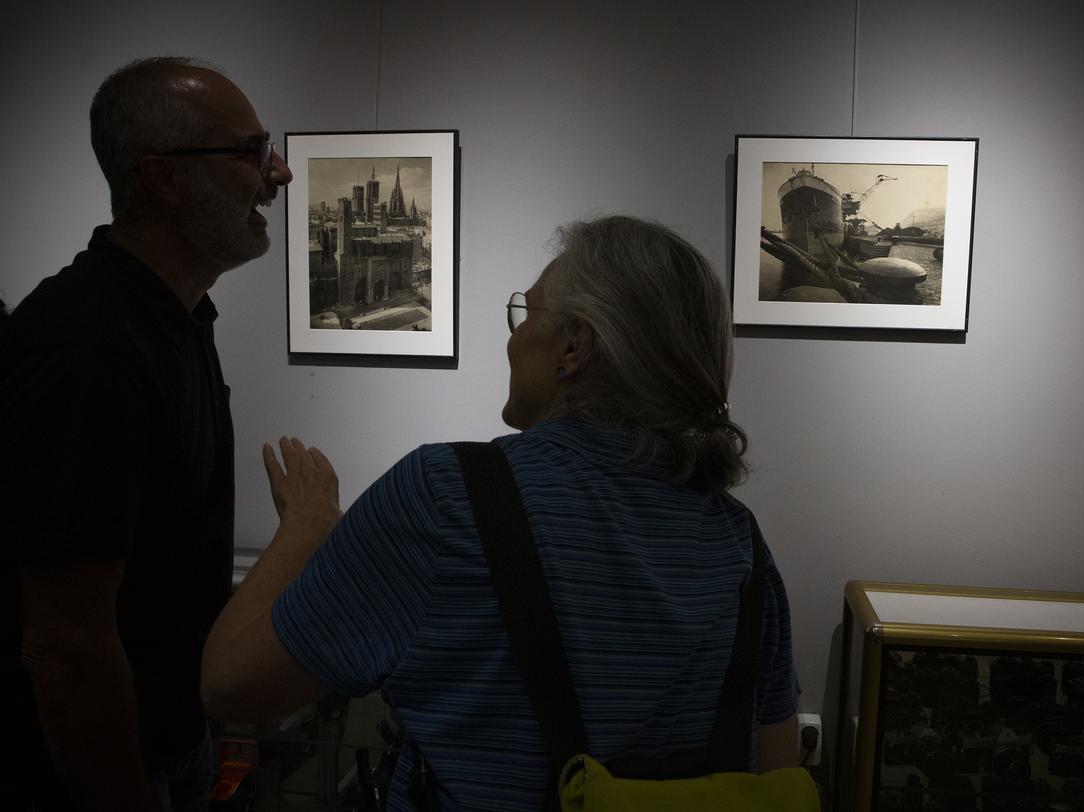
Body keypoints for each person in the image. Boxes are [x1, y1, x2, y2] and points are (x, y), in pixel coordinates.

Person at [202, 216, 799, 810]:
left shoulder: (443, 498)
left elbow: (229, 686)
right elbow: (775, 769)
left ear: (574, 344)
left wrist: (304, 531)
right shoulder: (740, 542)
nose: (513, 339)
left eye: (526, 314)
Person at [0, 57, 292, 811]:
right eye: (254, 151)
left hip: (174, 744)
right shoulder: (85, 341)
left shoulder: (177, 319)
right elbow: (64, 641)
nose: (280, 173)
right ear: (165, 178)